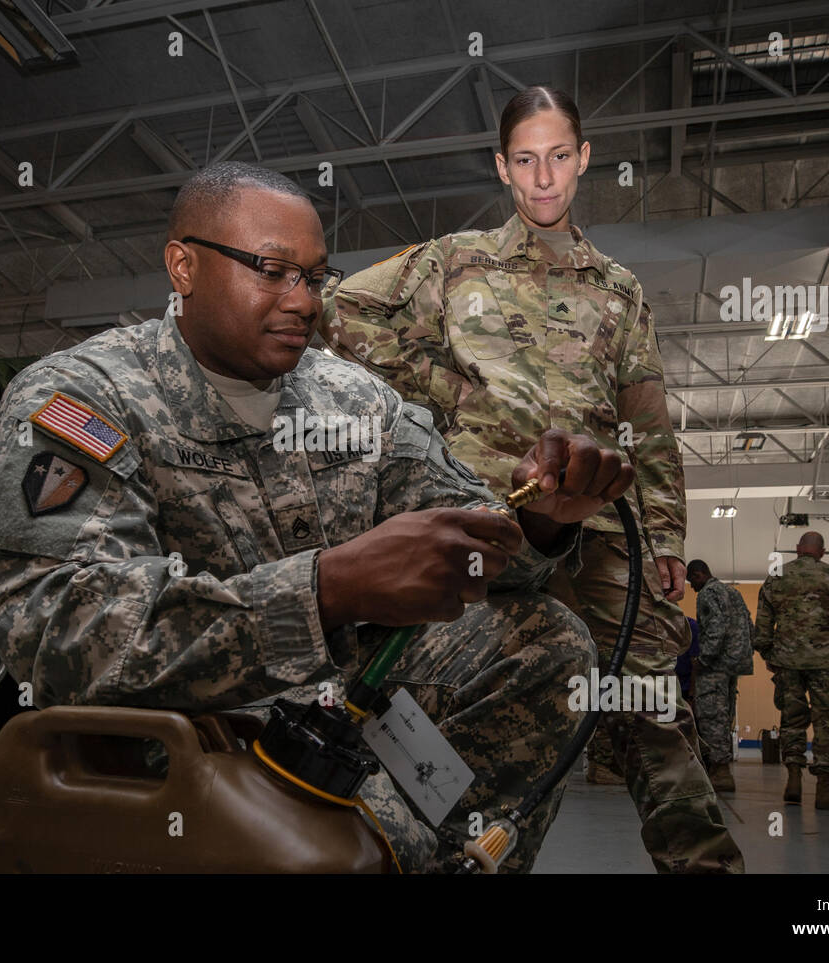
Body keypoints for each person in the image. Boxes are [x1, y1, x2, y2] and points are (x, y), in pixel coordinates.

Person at [0, 161, 638, 874]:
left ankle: (439, 858)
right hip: (187, 736)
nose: (304, 302)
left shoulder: (357, 403)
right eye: (272, 270)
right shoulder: (84, 395)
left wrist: (540, 519)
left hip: (341, 719)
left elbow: (471, 538)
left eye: (316, 277)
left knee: (549, 644)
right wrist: (326, 591)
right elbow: (53, 627)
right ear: (183, 266)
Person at [318, 85, 742, 873]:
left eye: (557, 157)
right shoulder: (454, 261)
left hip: (604, 528)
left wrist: (670, 536)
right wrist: (453, 393)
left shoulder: (619, 289)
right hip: (494, 513)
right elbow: (338, 311)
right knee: (461, 690)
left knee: (649, 708)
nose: (543, 177)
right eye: (524, 160)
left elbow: (648, 424)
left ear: (582, 161)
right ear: (502, 168)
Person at [755, 532, 829, 809]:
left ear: (798, 550)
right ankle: (824, 788)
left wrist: (770, 654)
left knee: (791, 719)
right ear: (821, 552)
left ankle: (793, 778)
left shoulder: (776, 576)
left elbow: (763, 625)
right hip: (826, 661)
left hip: (787, 661)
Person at [686, 560, 756, 793]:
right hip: (733, 665)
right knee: (724, 715)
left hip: (714, 666)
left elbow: (716, 628)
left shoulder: (708, 593)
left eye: (691, 580)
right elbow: (749, 626)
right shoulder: (733, 593)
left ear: (699, 574)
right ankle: (719, 767)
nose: (691, 586)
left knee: (711, 715)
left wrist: (703, 659)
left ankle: (720, 771)